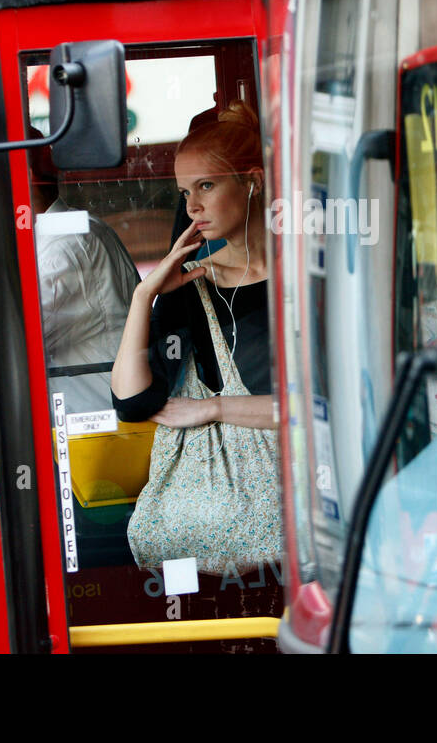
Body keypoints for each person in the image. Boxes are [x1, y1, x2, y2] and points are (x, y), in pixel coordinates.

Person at [111, 100, 280, 574]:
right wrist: (143, 297)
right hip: (208, 554)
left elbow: (320, 406)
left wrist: (214, 408)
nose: (192, 206)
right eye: (185, 191)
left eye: (206, 185)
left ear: (253, 181)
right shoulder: (190, 286)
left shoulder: (305, 280)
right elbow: (134, 402)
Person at [29, 131, 141, 414]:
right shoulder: (73, 229)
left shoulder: (62, 246)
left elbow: (16, 340)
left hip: (97, 427)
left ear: (24, 177)